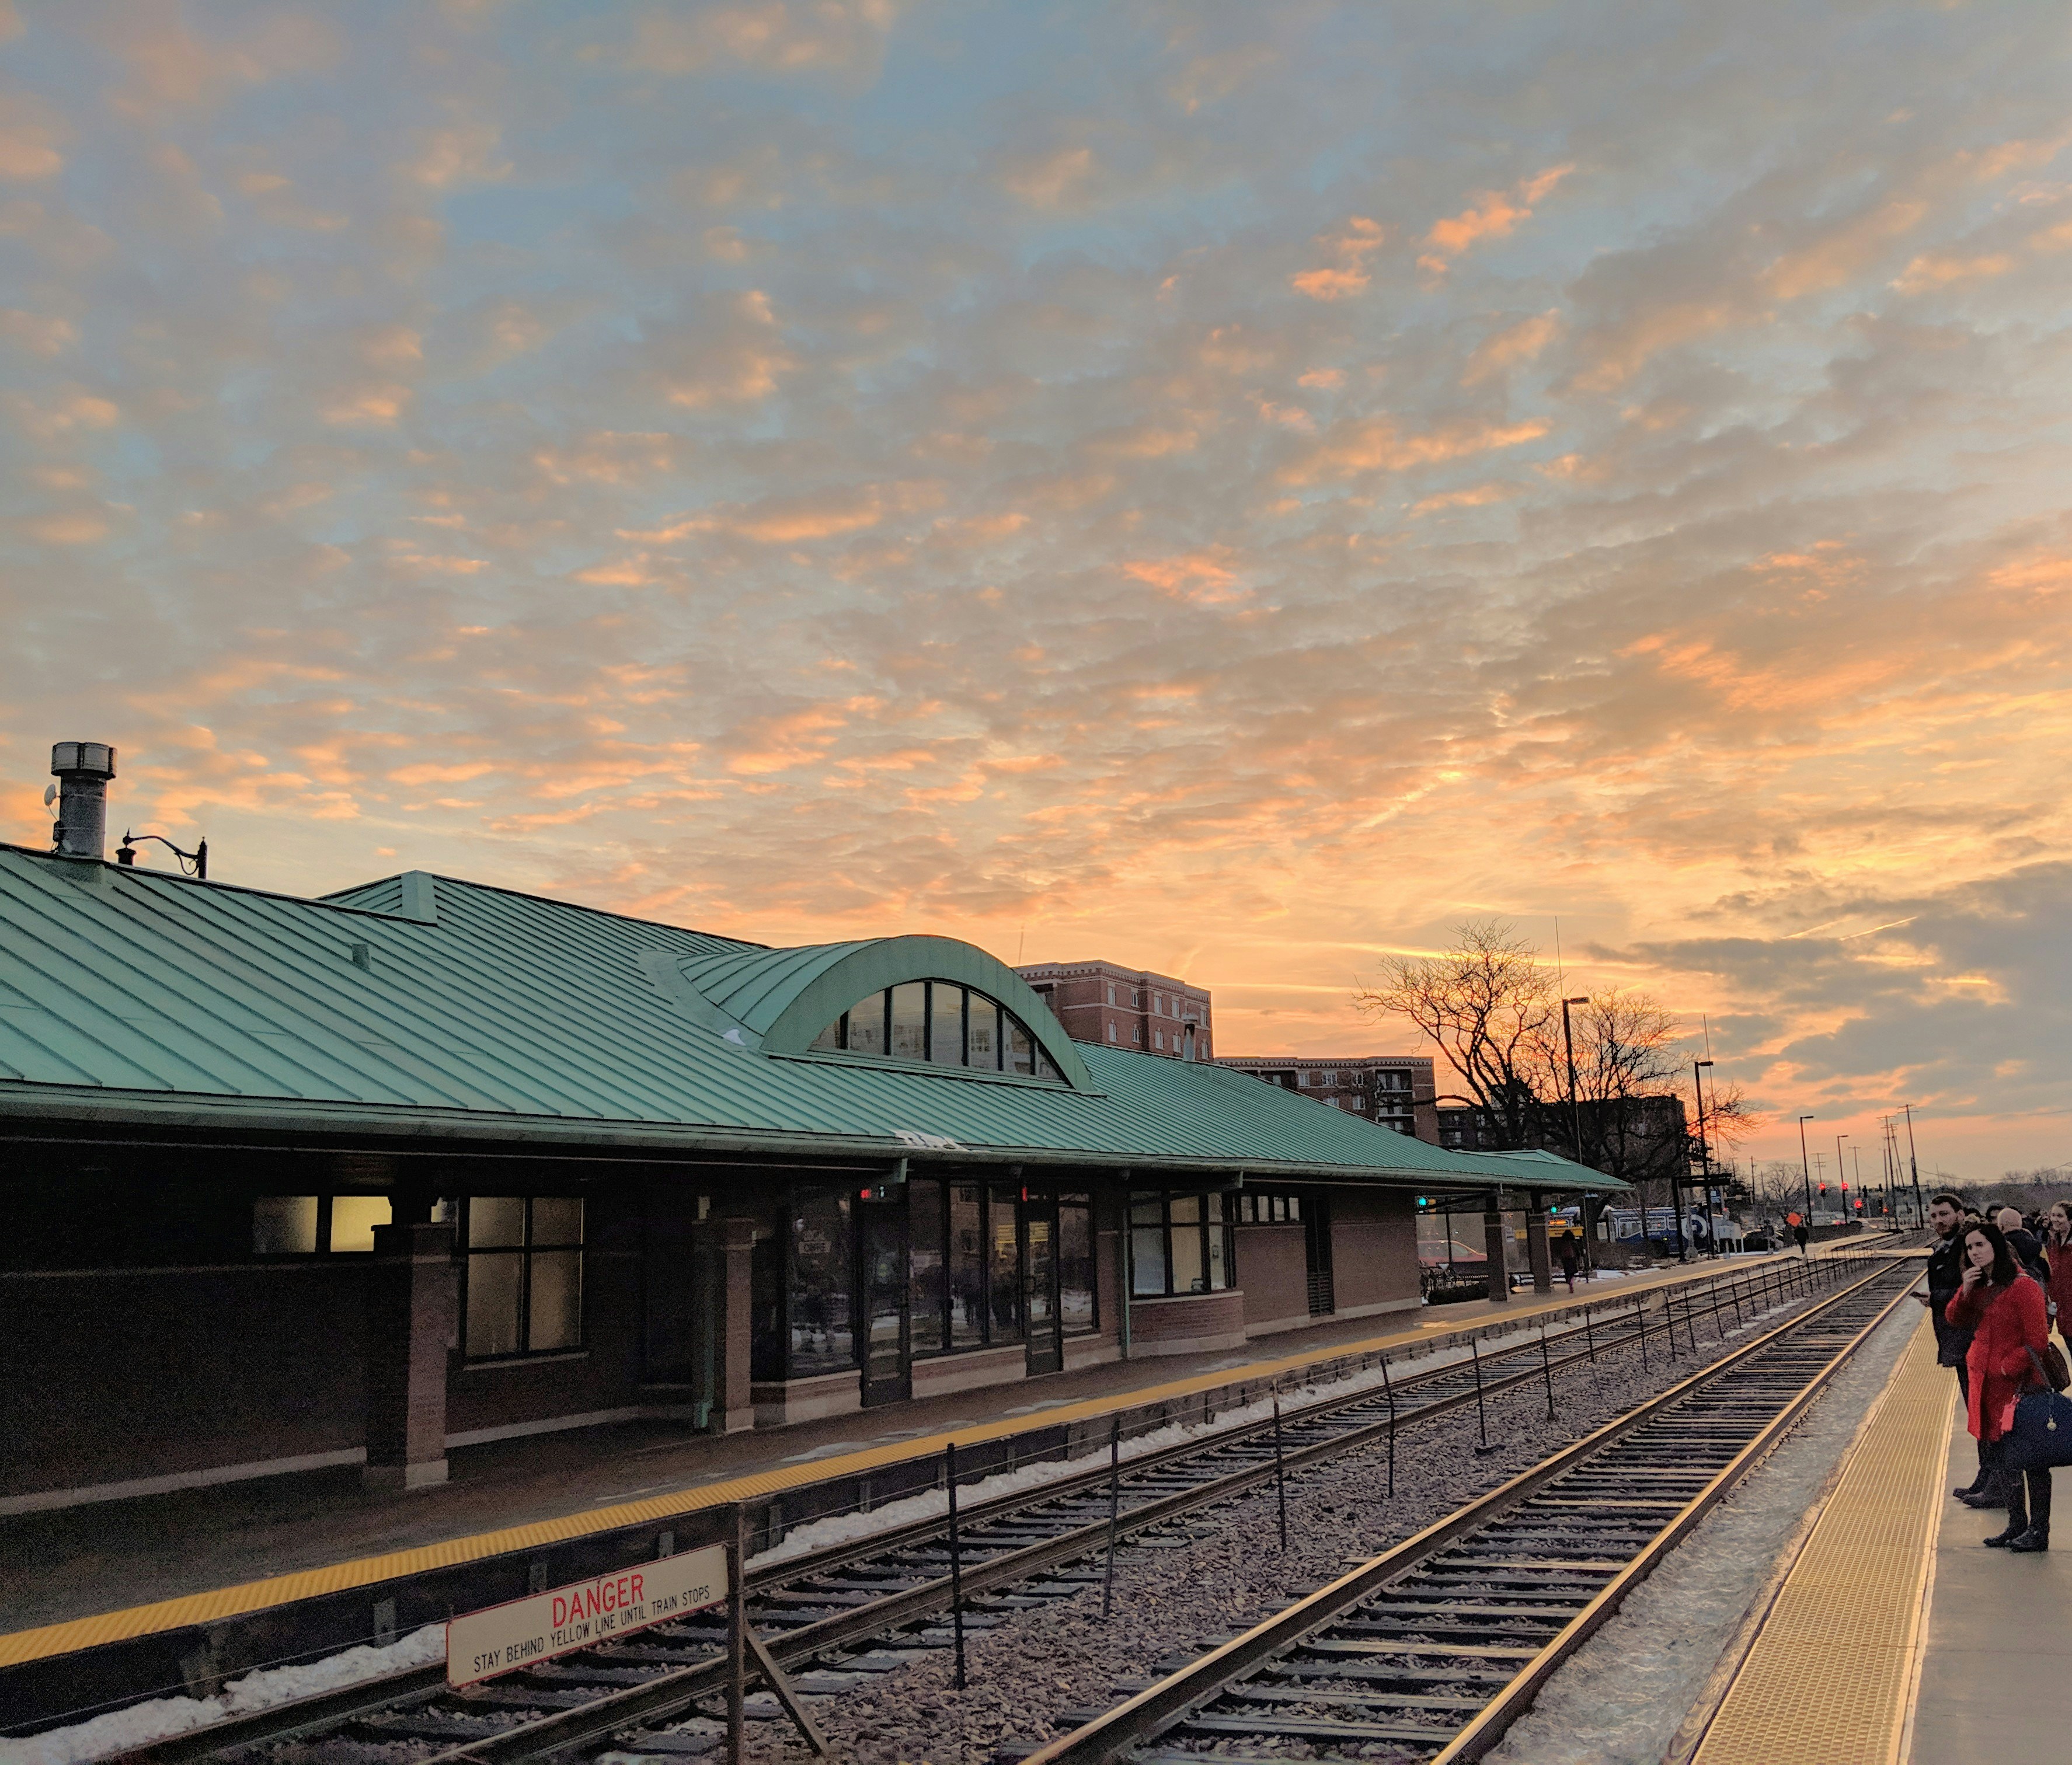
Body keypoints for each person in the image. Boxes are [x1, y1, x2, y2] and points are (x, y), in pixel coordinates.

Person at [1946, 1219, 2052, 1551]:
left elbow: (2038, 1340)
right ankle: (2016, 1523)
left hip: (2018, 1388)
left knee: (2032, 1459)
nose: (1975, 1252)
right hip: (1986, 1386)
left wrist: (2008, 1368)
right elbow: (1955, 1319)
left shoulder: (2023, 1286)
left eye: (1981, 1244)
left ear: (1996, 1246)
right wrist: (1964, 1290)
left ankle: (2038, 1531)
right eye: (1970, 1247)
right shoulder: (1980, 1285)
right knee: (2003, 1457)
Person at [1921, 1194, 1994, 1505]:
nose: (1939, 1221)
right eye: (1934, 1215)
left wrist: (1936, 1298)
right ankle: (1987, 1476)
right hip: (1958, 1339)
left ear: (1959, 1214)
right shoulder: (1948, 1247)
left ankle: (1996, 1482)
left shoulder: (1966, 1246)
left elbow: (1976, 1287)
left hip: (1970, 1339)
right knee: (1978, 1411)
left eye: (1945, 1214)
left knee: (1985, 1411)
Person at [1997, 1205, 2049, 1285]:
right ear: (2020, 1224)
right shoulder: (2038, 1245)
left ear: (2001, 1226)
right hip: (2036, 1288)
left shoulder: (2002, 1247)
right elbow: (2048, 1272)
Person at [2043, 1201, 2072, 1344]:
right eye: (2053, 1215)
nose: (2055, 1219)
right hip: (2062, 1312)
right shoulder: (2053, 1245)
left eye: (2060, 1216)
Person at [1556, 1229, 1579, 1293]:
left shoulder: (1563, 1242)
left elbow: (1559, 1252)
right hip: (1573, 1259)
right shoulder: (1574, 1242)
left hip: (1565, 1260)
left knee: (1567, 1273)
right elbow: (1578, 1252)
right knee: (1572, 1273)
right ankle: (1572, 1282)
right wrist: (1578, 1258)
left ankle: (1569, 1283)